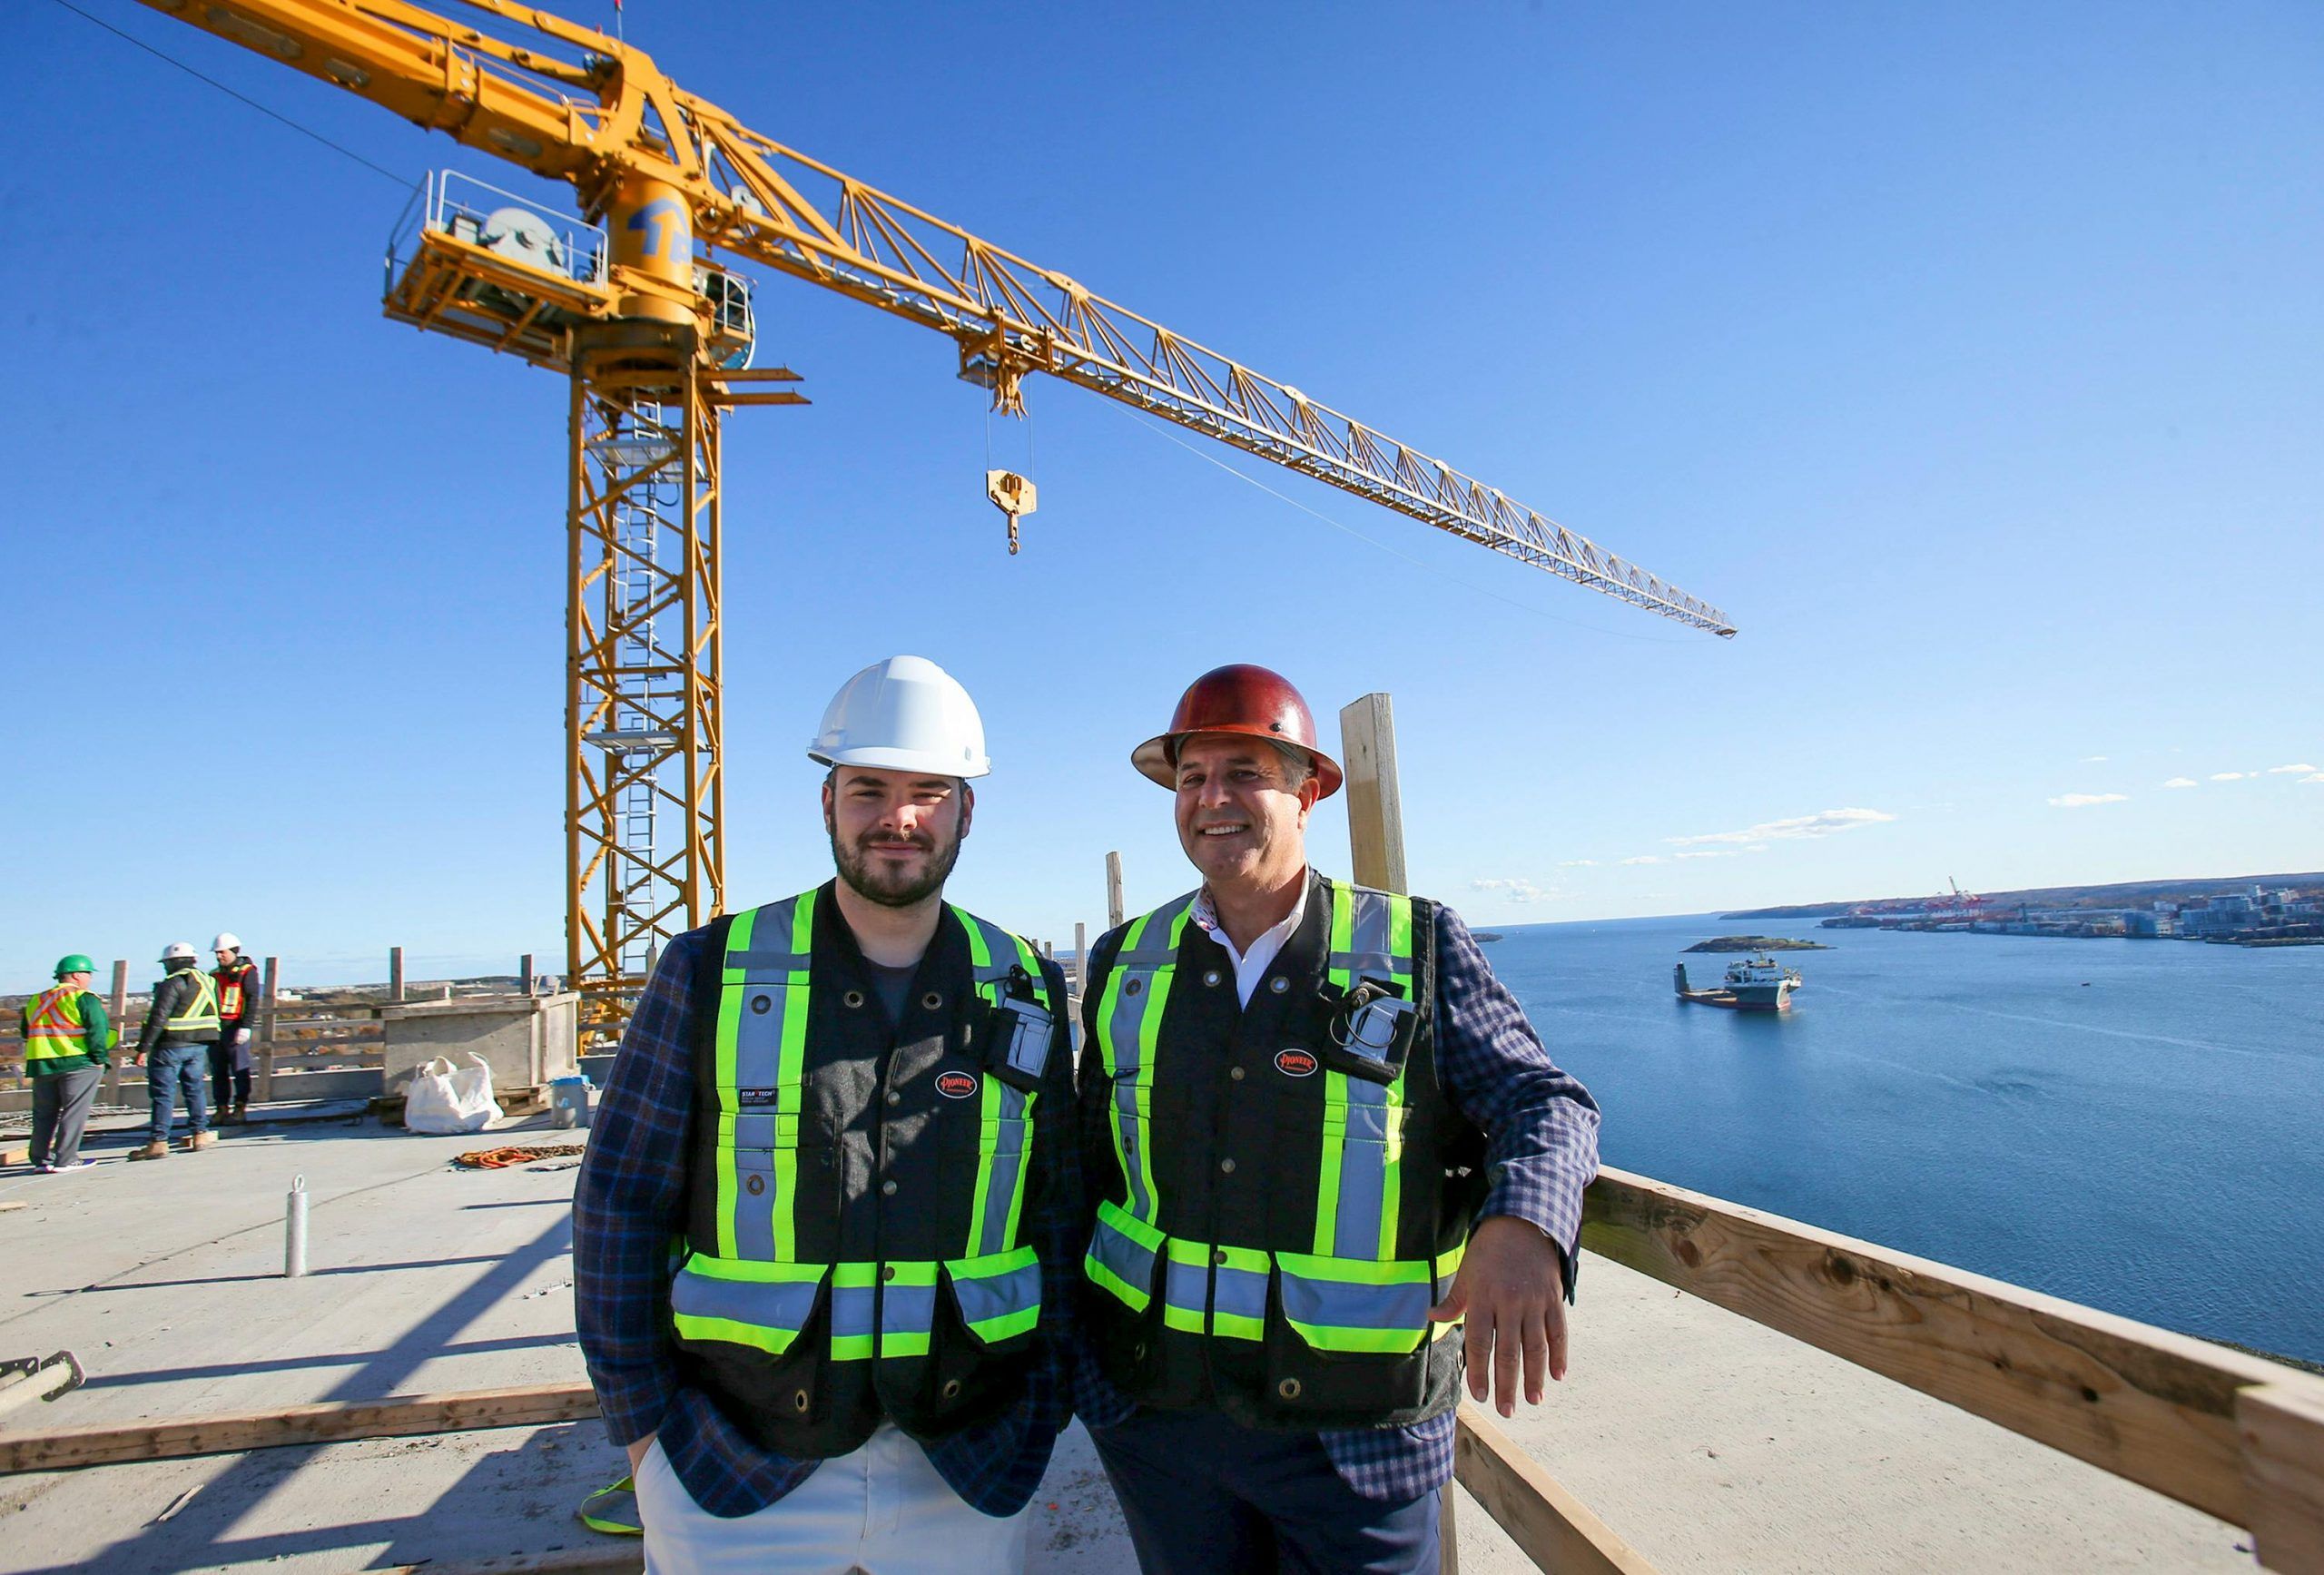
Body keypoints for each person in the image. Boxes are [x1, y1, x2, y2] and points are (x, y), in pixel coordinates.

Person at [1076, 664, 1601, 1574]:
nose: (1212, 798)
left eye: (1244, 772)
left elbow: (1542, 1099)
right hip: (1160, 1423)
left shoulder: (1415, 946)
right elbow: (1088, 1164)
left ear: (1307, 793)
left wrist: (1525, 1225)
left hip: (1356, 1440)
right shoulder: (1127, 961)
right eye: (1193, 777)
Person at [574, 655, 1088, 1573]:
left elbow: (1056, 1209)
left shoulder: (1024, 985)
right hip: (738, 1459)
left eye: (928, 792)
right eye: (869, 790)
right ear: (827, 803)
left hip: (965, 1458)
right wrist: (644, 1436)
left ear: (967, 811)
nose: (899, 818)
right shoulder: (710, 971)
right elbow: (619, 1203)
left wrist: (1042, 1406)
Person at [20, 954, 116, 1172]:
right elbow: (98, 1031)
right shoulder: (84, 998)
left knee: (44, 1114)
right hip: (78, 1062)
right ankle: (66, 1159)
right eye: (88, 974)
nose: (90, 978)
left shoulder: (37, 999)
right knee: (74, 1111)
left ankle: (41, 1159)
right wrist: (100, 1059)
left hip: (42, 1063)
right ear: (76, 975)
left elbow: (26, 1031)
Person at [130, 942, 222, 1160]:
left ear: (172, 962)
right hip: (199, 1044)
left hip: (170, 1046)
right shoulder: (208, 981)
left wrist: (143, 1048)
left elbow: (158, 1017)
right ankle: (200, 1134)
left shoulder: (173, 982)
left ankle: (159, 1141)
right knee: (195, 1089)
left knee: (163, 1094)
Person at [211, 933, 261, 1122]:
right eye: (216, 953)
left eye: (222, 952)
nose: (218, 956)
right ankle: (221, 1107)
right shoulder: (214, 974)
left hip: (236, 1026)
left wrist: (246, 1026)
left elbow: (252, 999)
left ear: (233, 951)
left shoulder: (247, 971)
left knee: (240, 1069)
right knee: (218, 1071)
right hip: (217, 1028)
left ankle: (240, 1107)